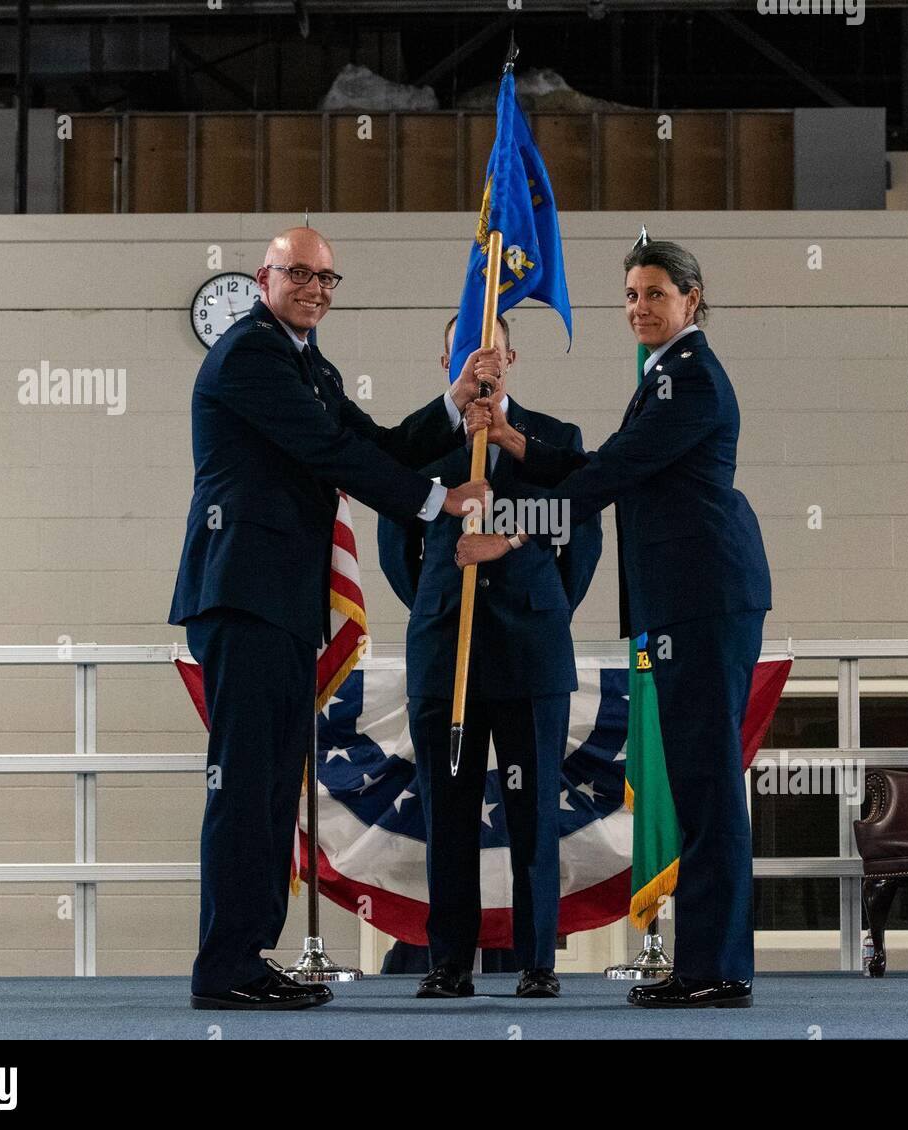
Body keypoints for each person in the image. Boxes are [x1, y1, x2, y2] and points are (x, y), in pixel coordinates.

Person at [169, 226, 491, 1010]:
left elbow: (372, 443)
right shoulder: (251, 354)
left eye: (328, 278)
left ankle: (246, 955)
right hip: (243, 593)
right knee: (248, 784)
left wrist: (451, 408)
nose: (315, 288)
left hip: (279, 599)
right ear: (263, 277)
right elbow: (327, 451)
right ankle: (226, 965)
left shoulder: (308, 364)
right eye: (300, 273)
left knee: (275, 784)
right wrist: (438, 502)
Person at [459, 239, 771, 1008]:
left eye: (655, 293)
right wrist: (510, 442)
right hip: (687, 600)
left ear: (692, 300)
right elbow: (607, 463)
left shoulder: (690, 378)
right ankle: (710, 962)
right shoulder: (669, 376)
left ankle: (715, 968)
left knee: (706, 785)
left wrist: (512, 531)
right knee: (700, 781)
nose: (639, 307)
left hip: (703, 597)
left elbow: (609, 477)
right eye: (631, 295)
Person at [378, 314, 602, 999]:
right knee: (447, 814)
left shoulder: (555, 439)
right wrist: (442, 599)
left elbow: (576, 529)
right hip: (448, 645)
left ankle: (538, 962)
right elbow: (398, 551)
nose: (483, 362)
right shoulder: (420, 443)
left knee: (535, 811)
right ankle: (450, 962)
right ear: (447, 357)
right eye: (468, 352)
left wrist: (517, 565)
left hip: (531, 648)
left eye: (494, 351)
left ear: (511, 357)